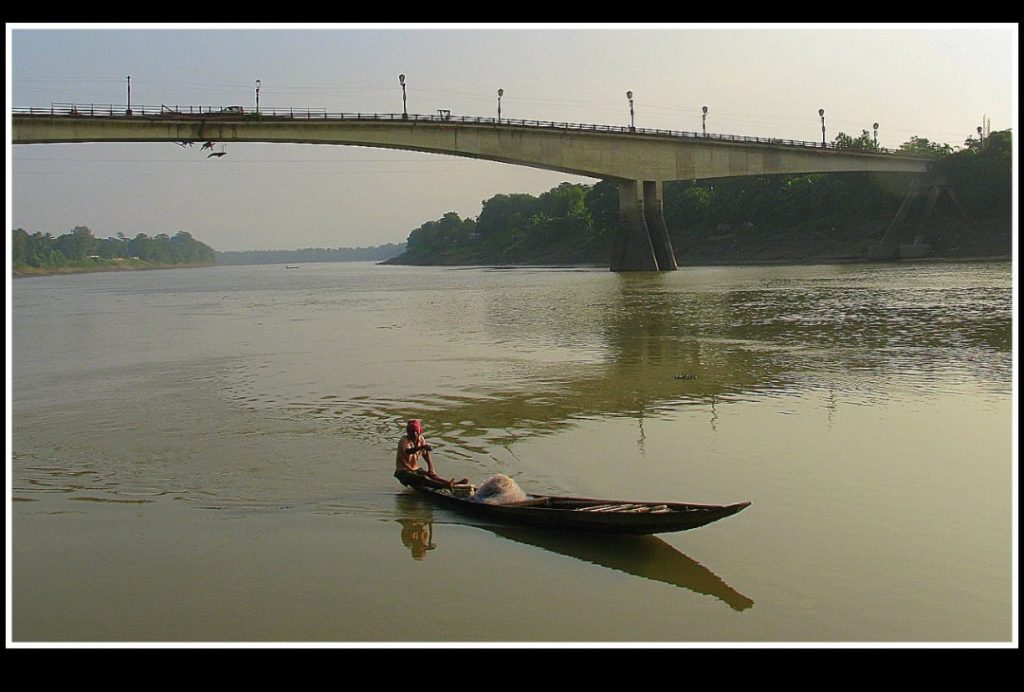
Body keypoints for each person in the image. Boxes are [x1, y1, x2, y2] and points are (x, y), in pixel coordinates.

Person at [394, 419, 458, 491]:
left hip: (415, 469)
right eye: (412, 432)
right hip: (403, 472)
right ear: (408, 432)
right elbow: (408, 451)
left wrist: (430, 468)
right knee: (423, 478)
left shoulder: (421, 439)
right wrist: (422, 447)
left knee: (432, 476)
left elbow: (426, 454)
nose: (415, 434)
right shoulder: (404, 441)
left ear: (420, 432)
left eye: (416, 432)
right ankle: (446, 485)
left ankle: (455, 484)